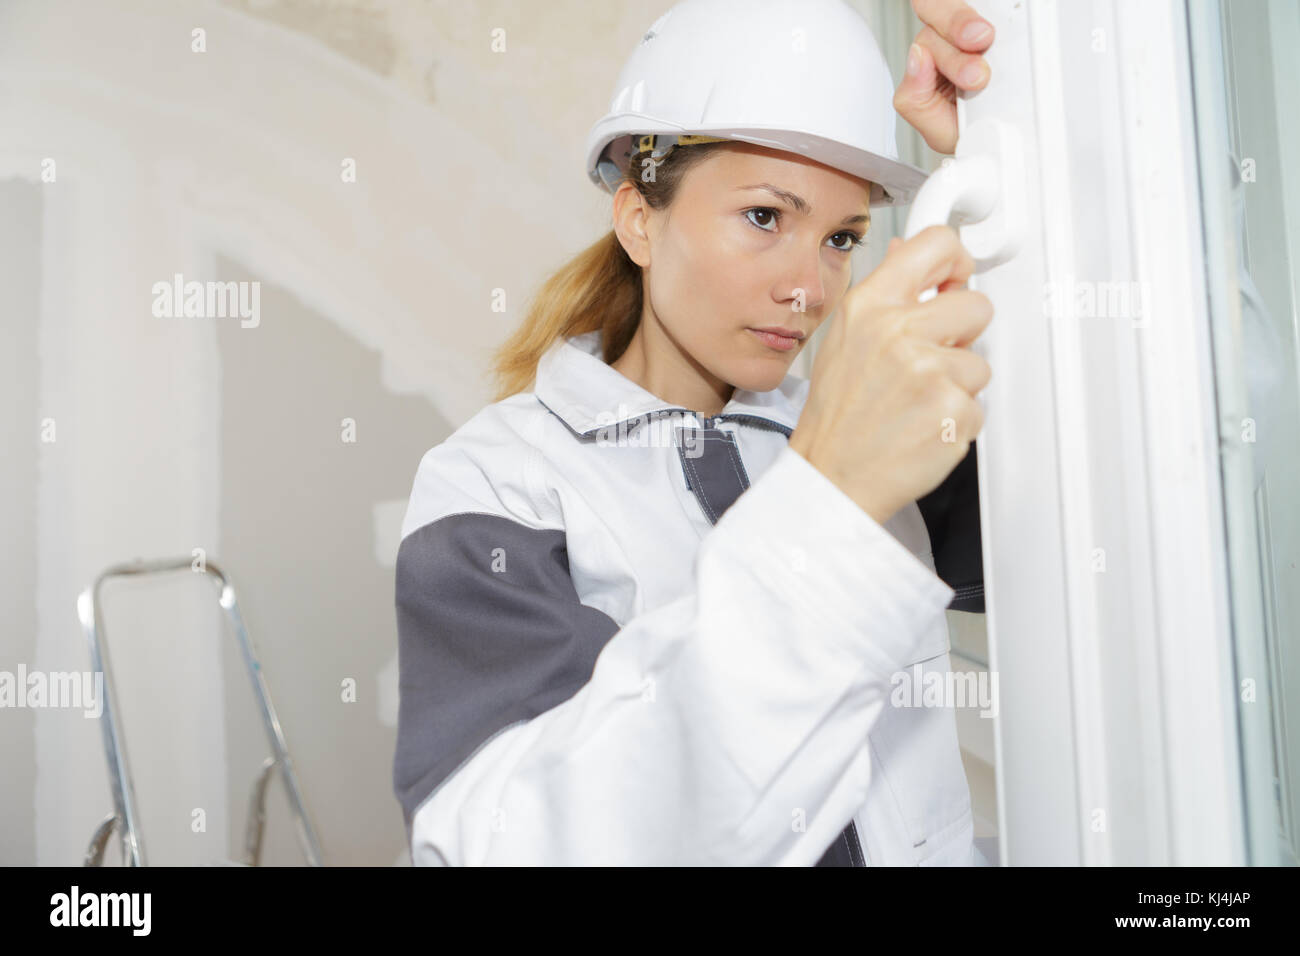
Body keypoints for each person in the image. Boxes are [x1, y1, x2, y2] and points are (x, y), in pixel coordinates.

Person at [393, 0, 997, 866]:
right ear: (640, 218)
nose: (809, 289)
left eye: (842, 238)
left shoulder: (872, 429)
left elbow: (1124, 460)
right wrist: (829, 501)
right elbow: (503, 844)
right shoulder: (496, 483)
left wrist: (1002, 159)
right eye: (764, 217)